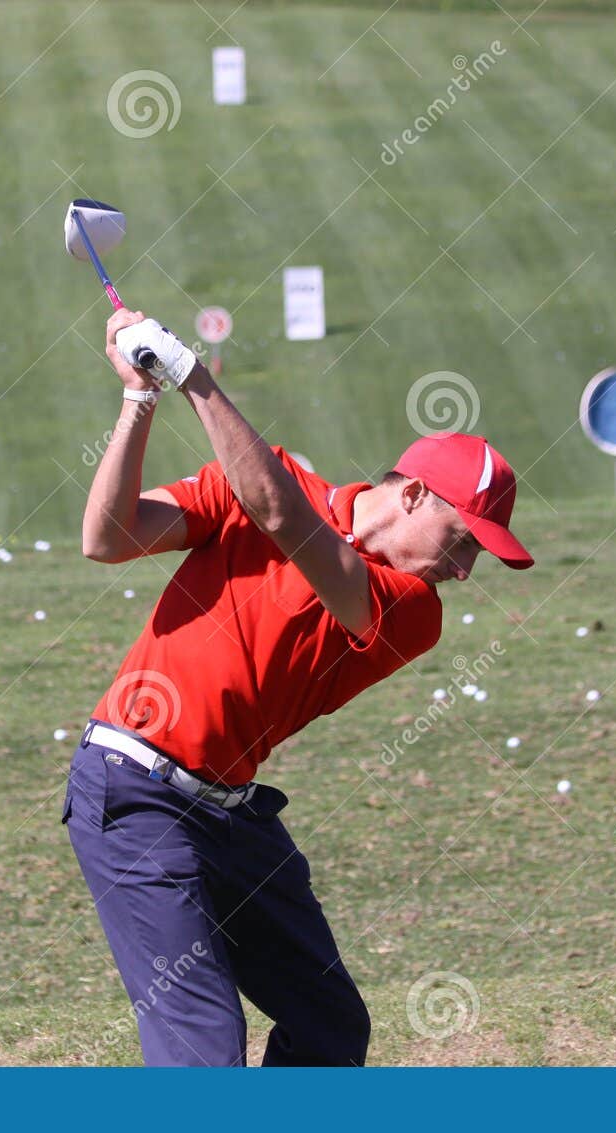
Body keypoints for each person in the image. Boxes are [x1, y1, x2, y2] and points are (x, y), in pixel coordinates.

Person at [63, 307, 533, 1066]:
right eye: (463, 541)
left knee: (328, 1026)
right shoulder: (257, 482)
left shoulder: (414, 612)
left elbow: (280, 512)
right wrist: (140, 397)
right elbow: (106, 537)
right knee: (202, 1045)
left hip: (231, 815)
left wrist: (192, 376)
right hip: (134, 792)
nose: (464, 569)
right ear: (414, 494)